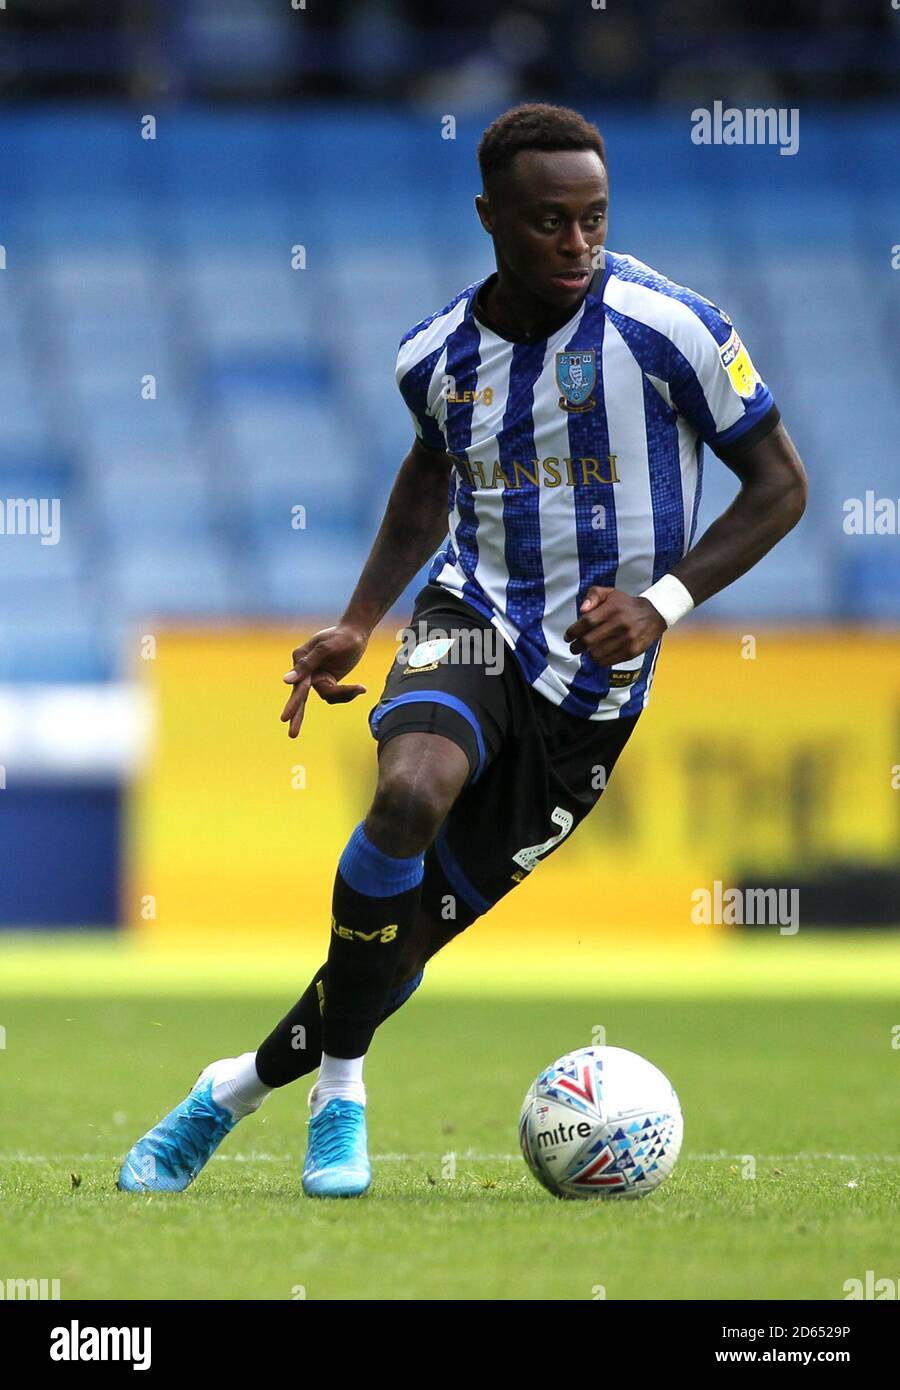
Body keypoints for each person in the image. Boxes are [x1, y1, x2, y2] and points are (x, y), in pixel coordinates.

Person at [118, 102, 807, 1199]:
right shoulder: (437, 356)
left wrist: (663, 602)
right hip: (474, 617)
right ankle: (343, 1094)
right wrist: (359, 618)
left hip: (594, 689)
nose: (576, 245)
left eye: (593, 220)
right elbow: (428, 476)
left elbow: (781, 486)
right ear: (491, 217)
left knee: (396, 949)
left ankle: (229, 1090)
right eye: (549, 223)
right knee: (409, 790)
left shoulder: (673, 330)